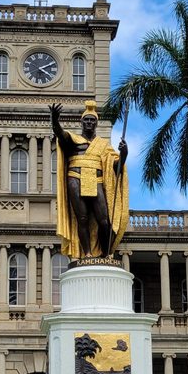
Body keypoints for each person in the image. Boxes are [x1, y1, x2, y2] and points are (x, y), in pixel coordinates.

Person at [51, 100, 129, 259]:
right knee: (82, 218)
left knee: (104, 220)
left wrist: (124, 153)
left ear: (96, 124)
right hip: (75, 178)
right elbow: (61, 134)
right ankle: (86, 253)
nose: (89, 122)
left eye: (92, 120)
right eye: (86, 120)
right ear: (81, 122)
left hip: (96, 179)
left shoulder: (103, 144)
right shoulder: (74, 140)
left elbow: (116, 166)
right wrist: (54, 120)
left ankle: (105, 254)